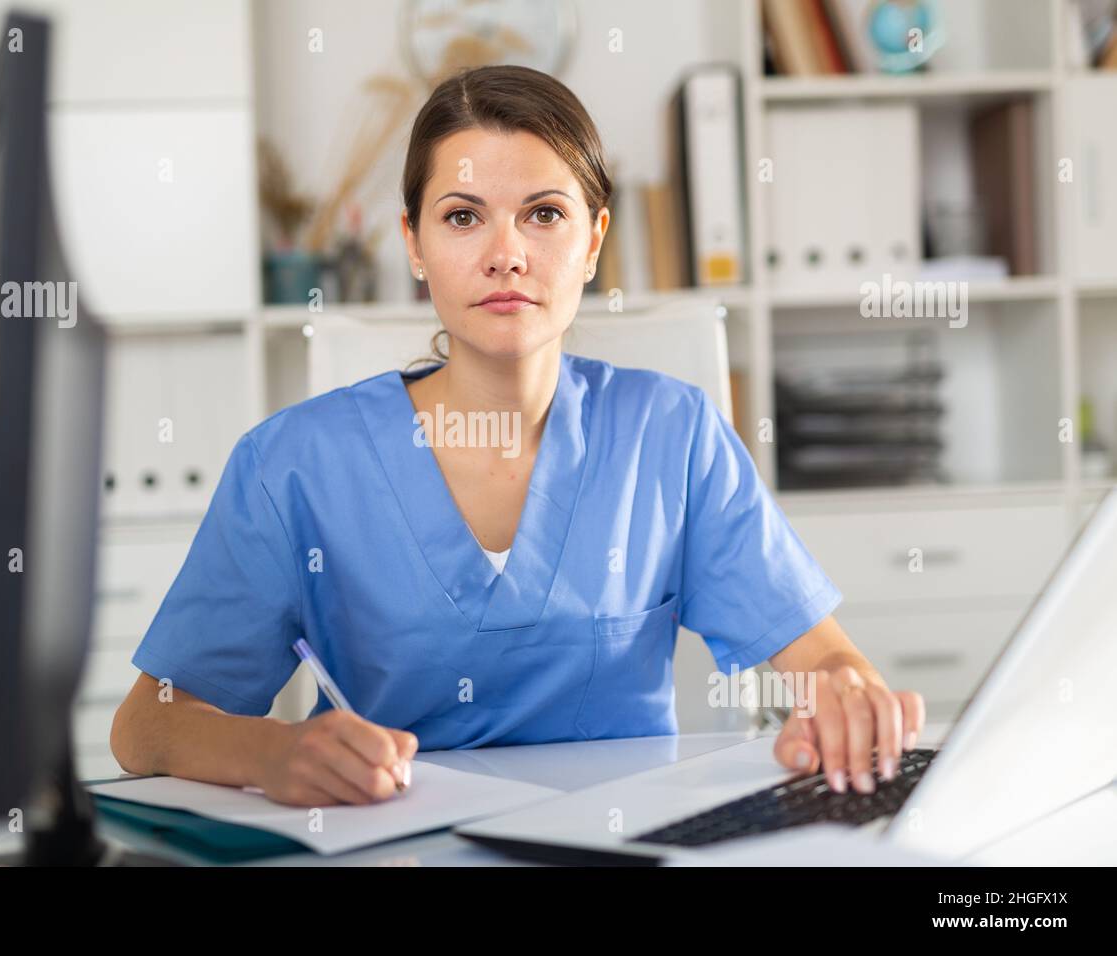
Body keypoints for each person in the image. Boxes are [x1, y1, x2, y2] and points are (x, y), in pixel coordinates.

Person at [111, 65, 924, 808]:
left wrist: (846, 699)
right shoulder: (294, 464)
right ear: (414, 245)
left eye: (544, 215)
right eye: (463, 217)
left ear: (594, 240)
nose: (506, 254)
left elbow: (821, 660)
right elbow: (147, 725)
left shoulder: (672, 437)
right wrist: (273, 752)